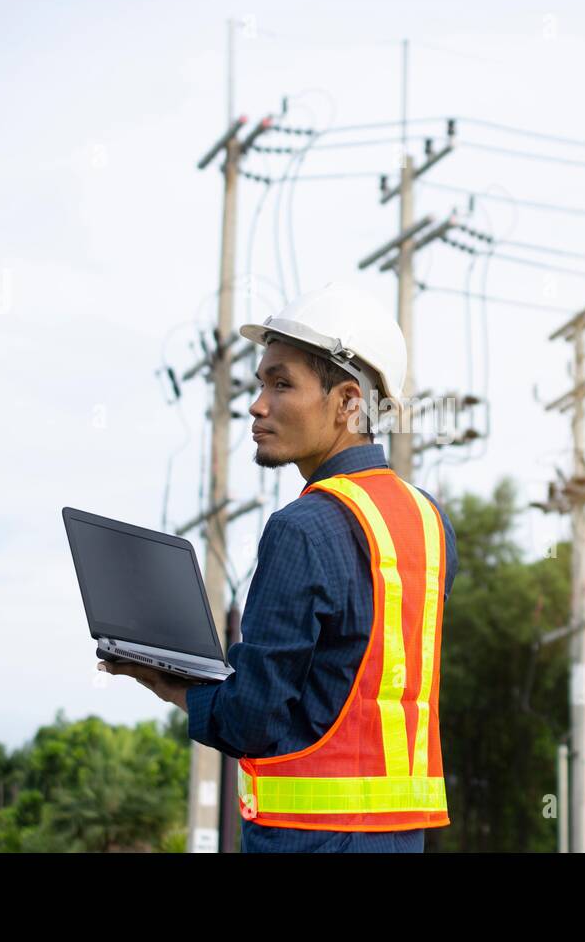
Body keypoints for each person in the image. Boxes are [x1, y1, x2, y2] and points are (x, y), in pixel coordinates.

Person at [101, 280, 458, 853]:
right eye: (260, 383)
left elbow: (253, 721)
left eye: (281, 384)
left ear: (348, 402)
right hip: (400, 839)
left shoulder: (302, 528)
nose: (257, 404)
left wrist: (171, 683)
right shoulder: (429, 522)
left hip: (308, 841)